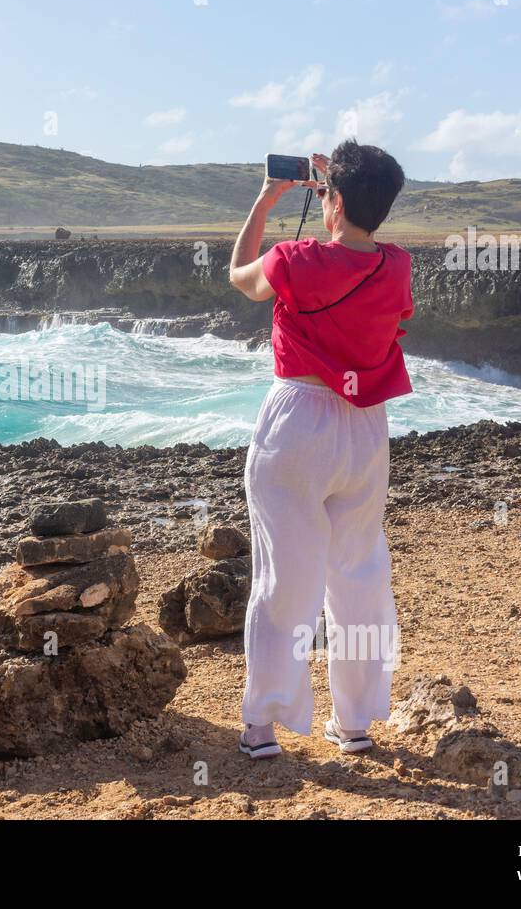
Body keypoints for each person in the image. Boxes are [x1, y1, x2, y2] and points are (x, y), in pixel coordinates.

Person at [228, 139, 412, 758]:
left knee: (285, 576)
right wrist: (342, 198)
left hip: (298, 423)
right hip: (365, 427)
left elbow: (239, 276)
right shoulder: (398, 266)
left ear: (330, 203)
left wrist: (266, 199)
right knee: (359, 575)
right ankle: (354, 721)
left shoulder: (293, 259)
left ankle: (264, 724)